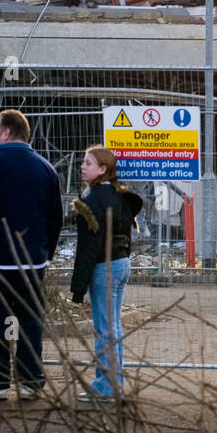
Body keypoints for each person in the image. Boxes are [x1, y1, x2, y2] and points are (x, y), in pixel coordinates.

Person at [0, 109, 63, 401]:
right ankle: (31, 382)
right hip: (32, 263)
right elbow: (54, 217)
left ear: (6, 132)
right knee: (29, 322)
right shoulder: (45, 168)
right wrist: (46, 252)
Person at [70, 145, 144, 403]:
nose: (82, 166)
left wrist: (77, 288)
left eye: (88, 163)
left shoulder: (92, 201)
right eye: (83, 162)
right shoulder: (118, 195)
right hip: (122, 263)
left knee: (104, 328)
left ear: (103, 169)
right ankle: (113, 382)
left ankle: (107, 387)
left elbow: (87, 247)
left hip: (104, 267)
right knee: (113, 325)